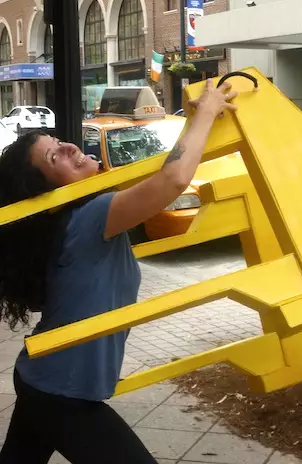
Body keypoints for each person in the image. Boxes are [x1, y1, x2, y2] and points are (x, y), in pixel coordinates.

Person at [0, 78, 238, 463]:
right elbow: (174, 179)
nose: (68, 146)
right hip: (62, 393)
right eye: (53, 157)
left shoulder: (74, 222)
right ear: (44, 191)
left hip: (42, 379)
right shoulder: (92, 217)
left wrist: (197, 123)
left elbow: (170, 170)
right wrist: (208, 110)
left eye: (58, 140)